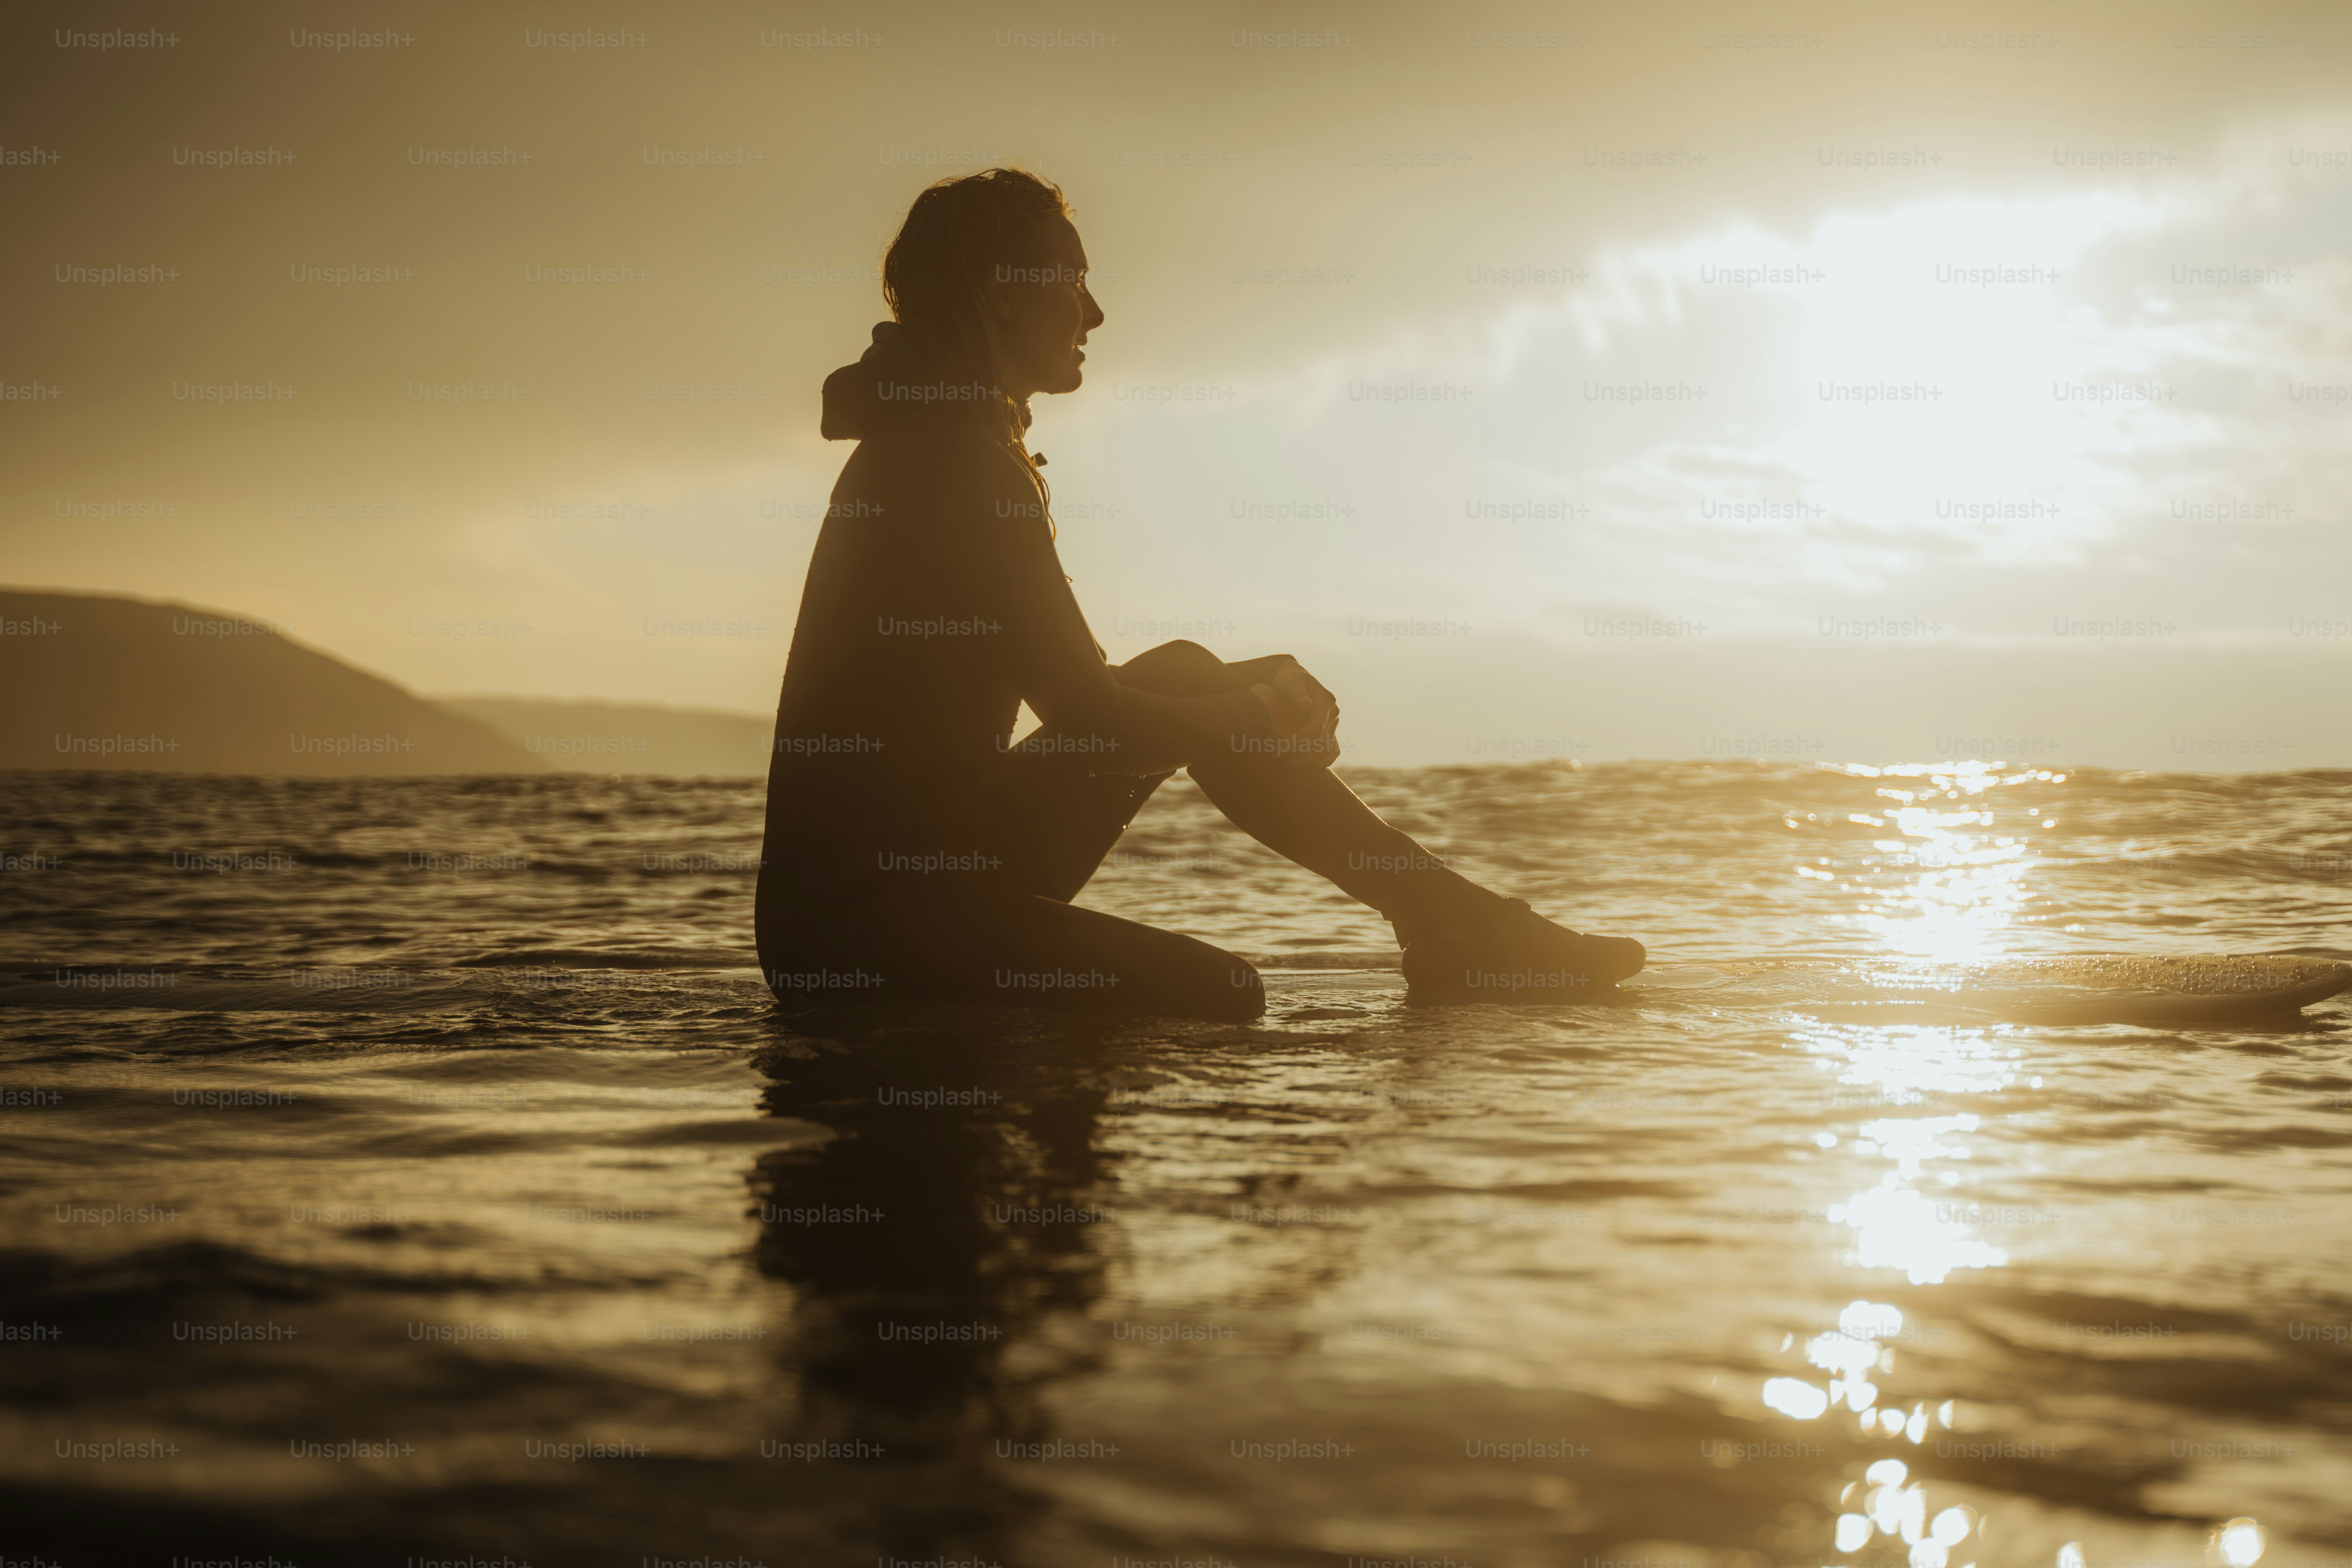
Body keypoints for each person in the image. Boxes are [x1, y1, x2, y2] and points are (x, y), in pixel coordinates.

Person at [754, 168, 1643, 1021]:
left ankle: (1447, 920)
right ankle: (1458, 927)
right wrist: (1248, 716)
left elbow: (1086, 695)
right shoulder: (957, 458)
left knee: (1185, 671)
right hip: (865, 921)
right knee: (1224, 992)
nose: (1094, 311)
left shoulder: (958, 436)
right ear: (1002, 295)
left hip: (940, 866)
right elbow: (1087, 712)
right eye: (1074, 281)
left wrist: (1241, 695)